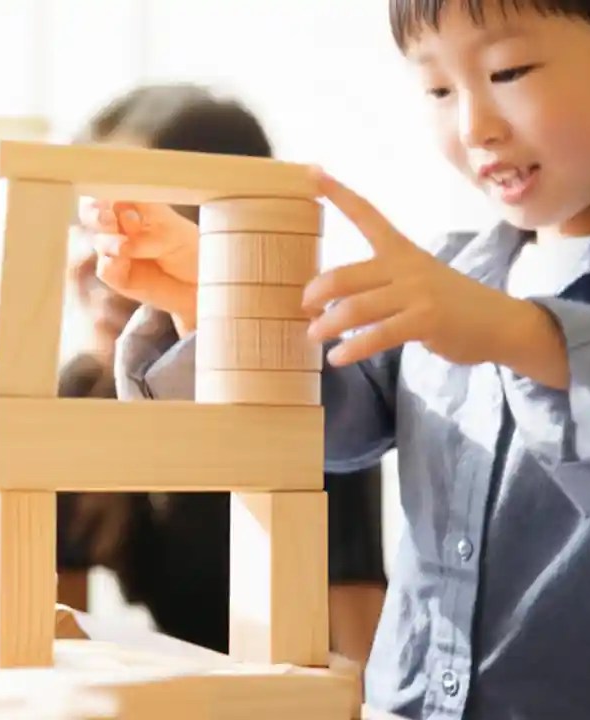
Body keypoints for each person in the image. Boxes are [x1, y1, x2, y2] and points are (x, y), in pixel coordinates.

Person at [83, 1, 590, 718]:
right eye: (437, 89)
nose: (473, 127)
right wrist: (212, 295)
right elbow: (312, 418)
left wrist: (514, 331)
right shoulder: (448, 275)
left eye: (508, 70)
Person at [57, 84, 387, 662]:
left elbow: (358, 646)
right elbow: (49, 629)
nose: (94, 258)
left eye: (133, 222)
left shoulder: (306, 386)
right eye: (89, 222)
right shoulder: (79, 393)